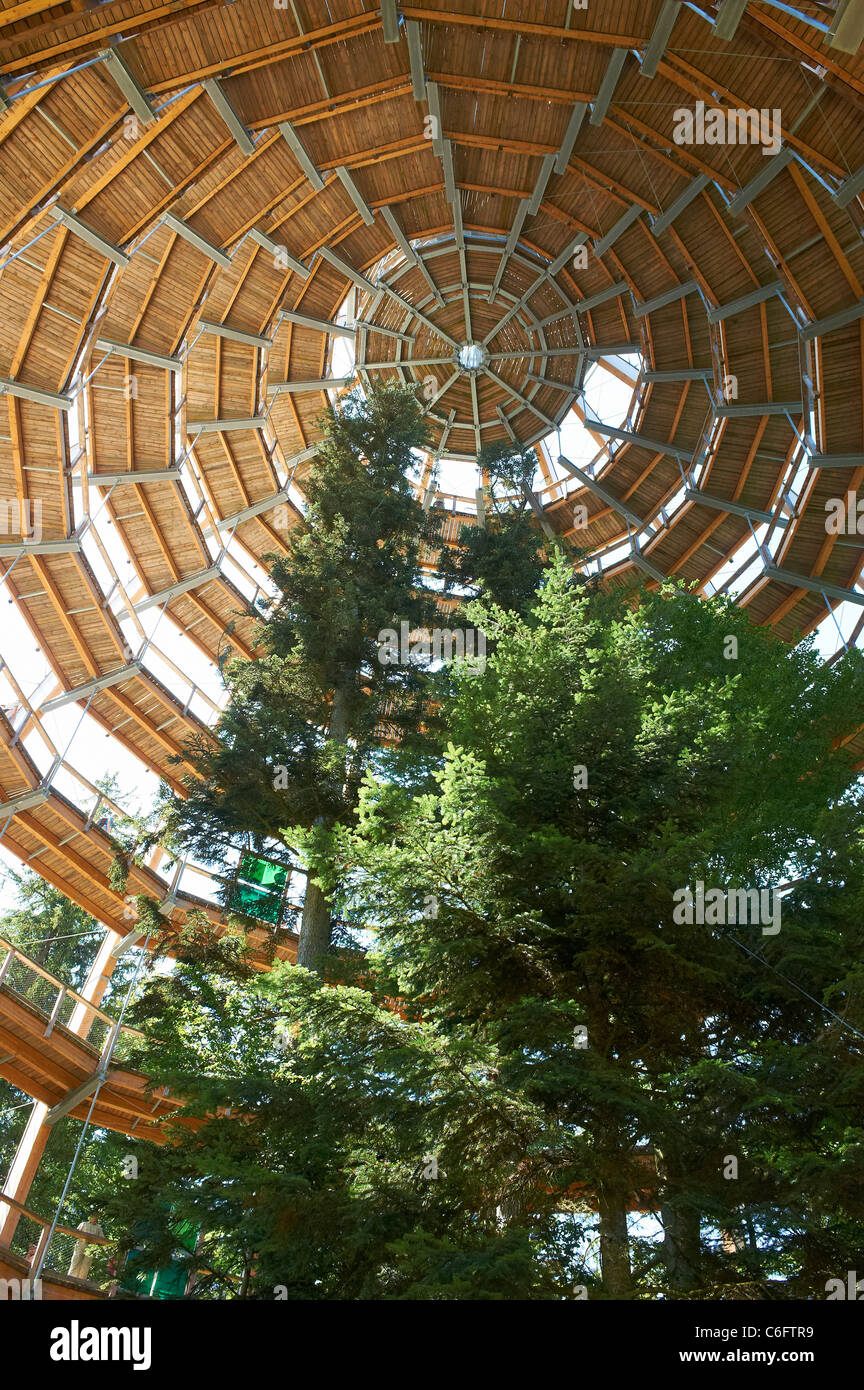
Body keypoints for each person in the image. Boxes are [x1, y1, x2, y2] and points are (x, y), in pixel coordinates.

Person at [67, 1209, 104, 1282]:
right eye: (94, 1216)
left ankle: (80, 1281)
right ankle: (69, 1279)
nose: (95, 1217)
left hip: (91, 1248)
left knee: (86, 1265)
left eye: (96, 1216)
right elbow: (76, 1233)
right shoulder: (83, 1224)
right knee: (75, 1262)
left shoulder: (98, 1228)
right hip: (81, 1245)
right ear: (91, 1216)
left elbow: (102, 1238)